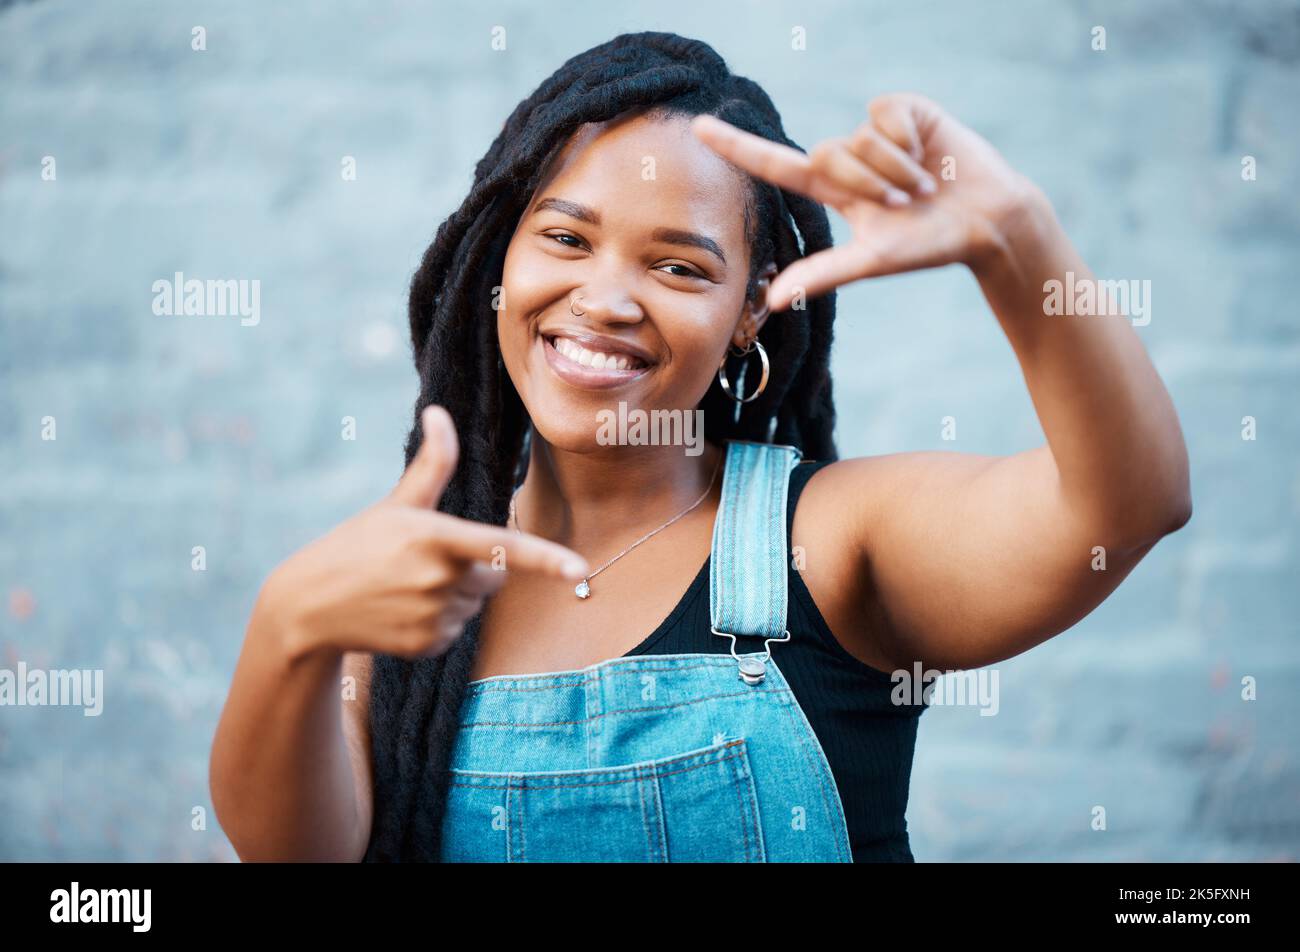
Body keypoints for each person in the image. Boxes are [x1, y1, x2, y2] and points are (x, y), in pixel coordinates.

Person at [210, 31, 1191, 862]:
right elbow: (296, 852)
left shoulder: (833, 541)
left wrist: (1015, 240)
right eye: (564, 238)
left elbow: (1124, 506)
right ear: (495, 262)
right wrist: (288, 622)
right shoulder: (407, 583)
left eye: (678, 265)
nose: (605, 297)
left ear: (747, 315)